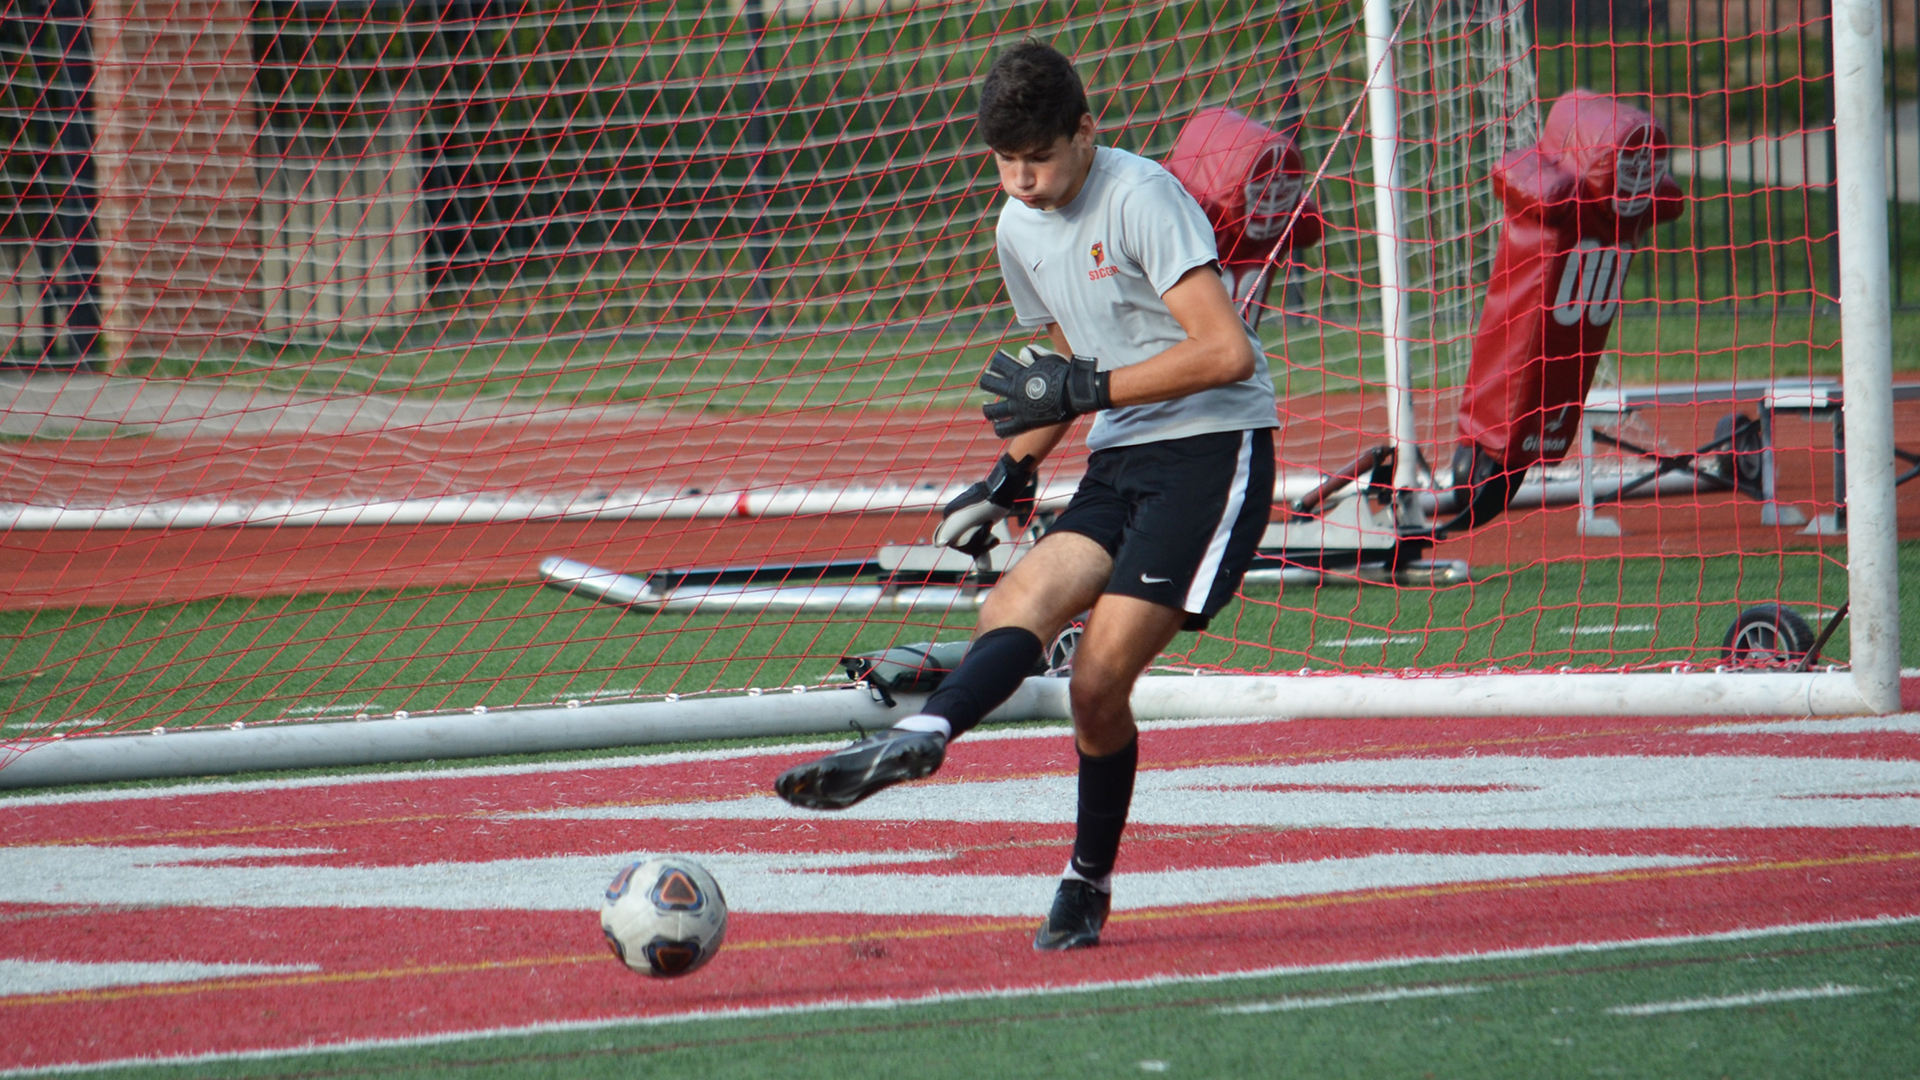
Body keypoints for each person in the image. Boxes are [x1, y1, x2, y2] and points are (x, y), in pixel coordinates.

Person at [773, 40, 1277, 951]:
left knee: (1096, 682)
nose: (1024, 181)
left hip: (1212, 450)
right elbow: (1061, 371)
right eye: (1006, 165)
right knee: (1017, 599)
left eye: (1038, 159)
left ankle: (1086, 882)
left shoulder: (1142, 196)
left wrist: (1087, 394)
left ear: (1087, 131)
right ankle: (925, 732)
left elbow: (1224, 352)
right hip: (1124, 455)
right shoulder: (1016, 223)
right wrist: (1011, 472)